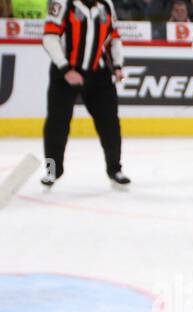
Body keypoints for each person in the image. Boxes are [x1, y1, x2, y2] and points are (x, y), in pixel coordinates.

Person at [40, 0, 129, 190]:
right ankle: (51, 170)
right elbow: (49, 37)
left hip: (99, 75)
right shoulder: (63, 3)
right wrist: (65, 69)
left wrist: (118, 66)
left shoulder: (106, 5)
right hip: (65, 73)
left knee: (110, 123)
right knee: (57, 124)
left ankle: (115, 169)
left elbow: (114, 38)